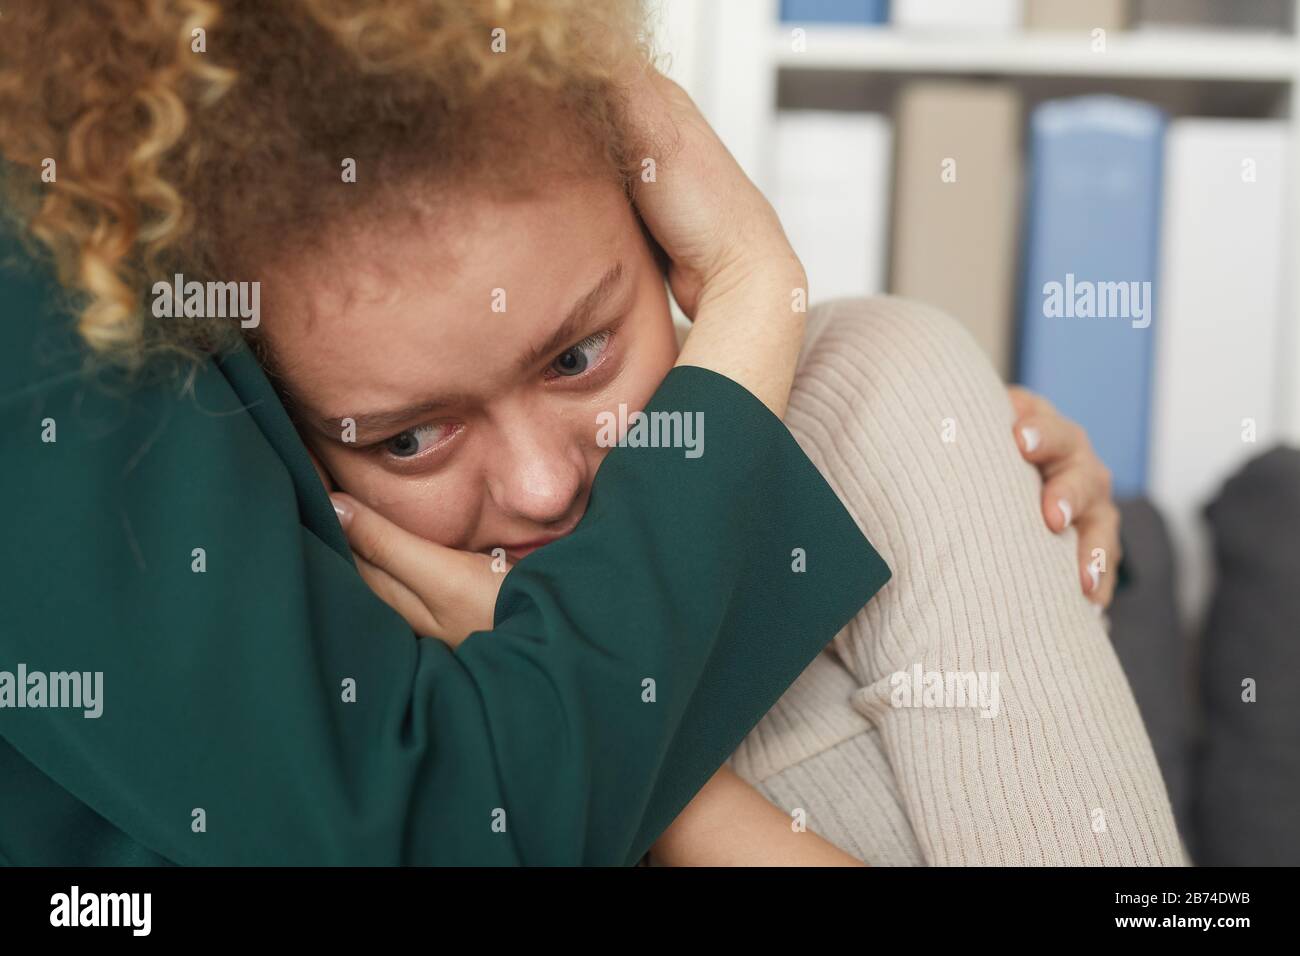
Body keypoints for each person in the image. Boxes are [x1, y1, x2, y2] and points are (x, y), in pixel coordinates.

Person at [0, 0, 1182, 865]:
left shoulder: (870, 389)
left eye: (578, 355)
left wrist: (771, 299)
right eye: (408, 438)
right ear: (289, 459)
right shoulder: (333, 697)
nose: (543, 483)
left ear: (666, 230)